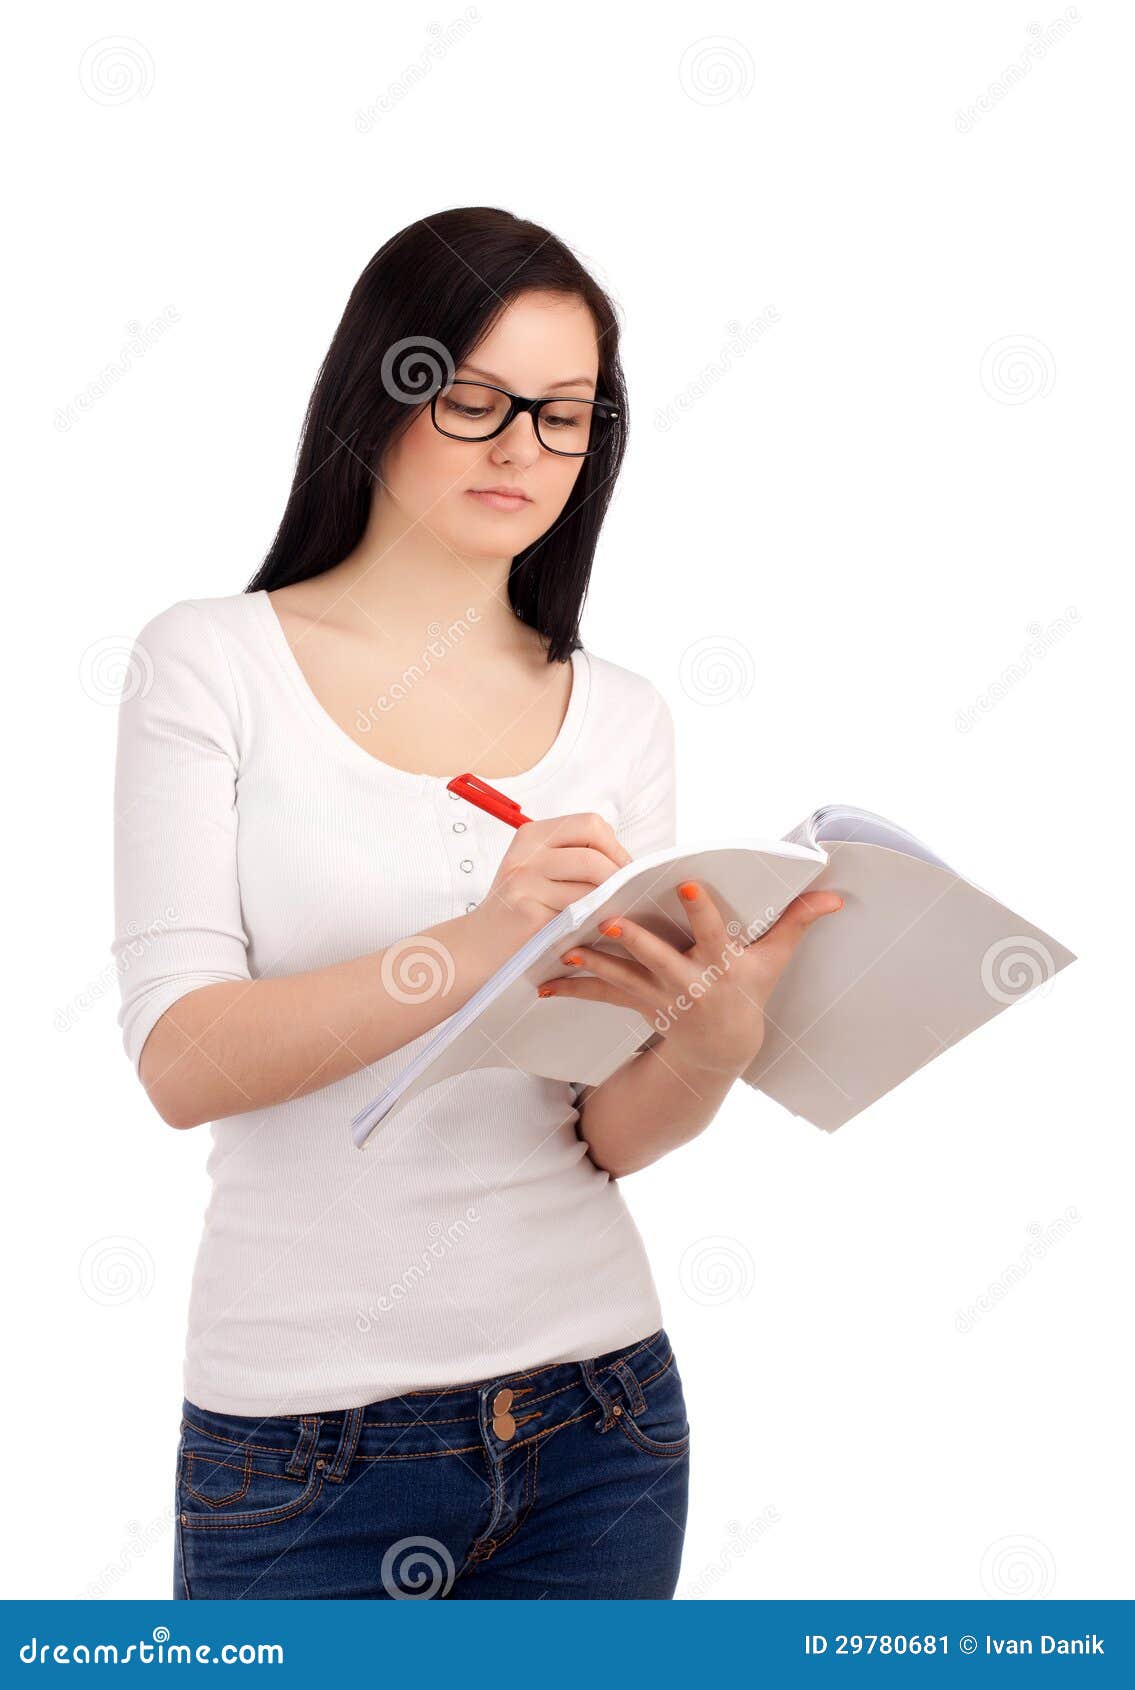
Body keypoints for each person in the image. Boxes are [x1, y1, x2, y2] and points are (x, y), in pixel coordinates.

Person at [111, 205, 841, 1600]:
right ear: (377, 391)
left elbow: (603, 1130)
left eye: (565, 413)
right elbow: (179, 1060)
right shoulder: (208, 665)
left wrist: (710, 1042)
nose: (522, 446)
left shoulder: (620, 714)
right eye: (476, 397)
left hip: (601, 1421)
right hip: (302, 1443)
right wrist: (478, 939)